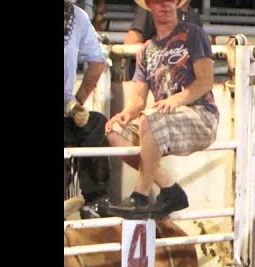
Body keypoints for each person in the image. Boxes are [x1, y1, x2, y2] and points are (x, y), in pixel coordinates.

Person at [102, 0, 219, 219]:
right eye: (158, 0)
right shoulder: (146, 50)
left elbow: (206, 81)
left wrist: (177, 99)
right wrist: (127, 112)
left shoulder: (193, 34)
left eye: (170, 0)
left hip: (200, 114)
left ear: (177, 4)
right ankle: (169, 188)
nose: (164, 4)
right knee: (115, 131)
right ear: (149, 5)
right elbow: (137, 99)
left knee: (150, 119)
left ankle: (140, 197)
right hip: (163, 117)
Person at [64, 0, 112, 216]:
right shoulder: (76, 15)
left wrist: (77, 103)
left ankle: (94, 200)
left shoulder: (78, 17)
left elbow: (97, 60)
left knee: (96, 124)